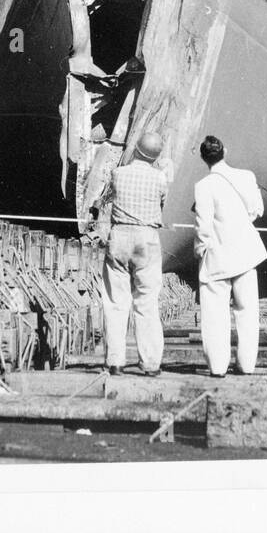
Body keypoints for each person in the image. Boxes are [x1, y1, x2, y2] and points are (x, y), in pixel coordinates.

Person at [86, 131, 168, 378]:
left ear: (137, 150)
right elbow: (161, 203)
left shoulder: (118, 174)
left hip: (119, 238)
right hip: (147, 238)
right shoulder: (160, 178)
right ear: (154, 156)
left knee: (116, 302)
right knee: (147, 302)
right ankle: (151, 363)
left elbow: (106, 198)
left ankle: (115, 361)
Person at [193, 135, 267, 377]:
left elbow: (203, 227)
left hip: (218, 254)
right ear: (225, 151)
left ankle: (217, 366)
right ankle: (246, 365)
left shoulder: (203, 186)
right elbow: (258, 210)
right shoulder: (246, 177)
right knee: (247, 311)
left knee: (215, 313)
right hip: (246, 252)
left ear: (204, 159)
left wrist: (199, 250)